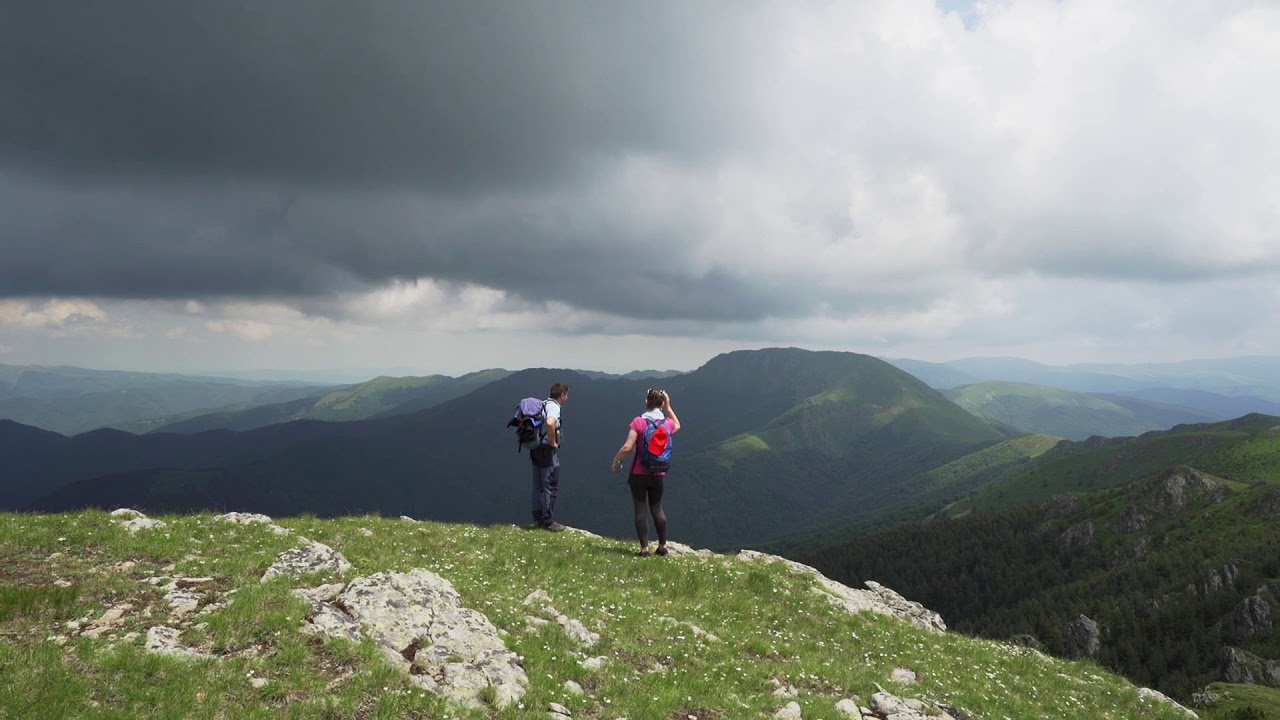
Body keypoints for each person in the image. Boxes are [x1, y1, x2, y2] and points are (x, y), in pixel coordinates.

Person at [611, 388, 681, 556]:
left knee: (640, 511)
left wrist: (616, 461)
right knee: (657, 509)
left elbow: (627, 447)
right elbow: (678, 425)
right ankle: (662, 547)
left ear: (646, 402)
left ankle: (644, 550)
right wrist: (669, 407)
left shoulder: (638, 422)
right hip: (658, 474)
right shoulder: (667, 424)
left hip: (638, 474)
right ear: (662, 404)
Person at [532, 382, 569, 531]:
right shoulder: (554, 407)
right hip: (547, 451)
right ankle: (548, 521)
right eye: (566, 395)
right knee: (550, 486)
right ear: (562, 395)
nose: (567, 398)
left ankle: (537, 519)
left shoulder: (543, 403)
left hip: (535, 448)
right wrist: (553, 441)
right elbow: (550, 422)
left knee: (538, 486)